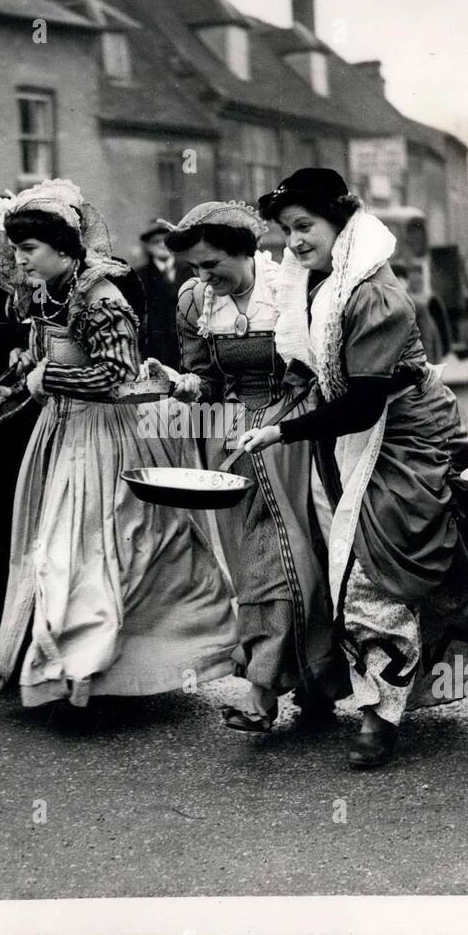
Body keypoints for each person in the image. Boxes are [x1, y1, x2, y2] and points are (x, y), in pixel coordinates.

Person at [239, 168, 468, 769]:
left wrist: (282, 429)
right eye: (285, 231)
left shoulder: (374, 293)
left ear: (340, 221)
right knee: (356, 563)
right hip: (350, 441)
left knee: (378, 572)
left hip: (403, 436)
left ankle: (377, 718)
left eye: (304, 226)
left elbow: (361, 403)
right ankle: (375, 699)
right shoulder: (317, 284)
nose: (294, 242)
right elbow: (316, 371)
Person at [0, 179, 238, 710]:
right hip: (63, 432)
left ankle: (90, 664)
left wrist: (48, 378)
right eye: (17, 250)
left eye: (28, 249)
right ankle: (78, 666)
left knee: (99, 549)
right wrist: (29, 365)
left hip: (111, 436)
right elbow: (57, 357)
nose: (20, 260)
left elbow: (117, 377)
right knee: (63, 550)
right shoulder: (49, 294)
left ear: (63, 248)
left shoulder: (101, 296)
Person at [159, 201, 343, 731]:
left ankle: (265, 693)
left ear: (244, 251)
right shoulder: (194, 302)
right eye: (194, 267)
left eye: (212, 263)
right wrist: (176, 385)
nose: (202, 277)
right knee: (256, 564)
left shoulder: (292, 286)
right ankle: (313, 687)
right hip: (229, 438)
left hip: (292, 433)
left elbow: (313, 373)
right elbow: (208, 384)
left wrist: (275, 424)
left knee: (284, 560)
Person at [136, 219, 193, 369]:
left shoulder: (190, 271)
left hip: (188, 345)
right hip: (156, 349)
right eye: (156, 241)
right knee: (161, 389)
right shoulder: (140, 276)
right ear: (148, 246)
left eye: (166, 241)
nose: (162, 245)